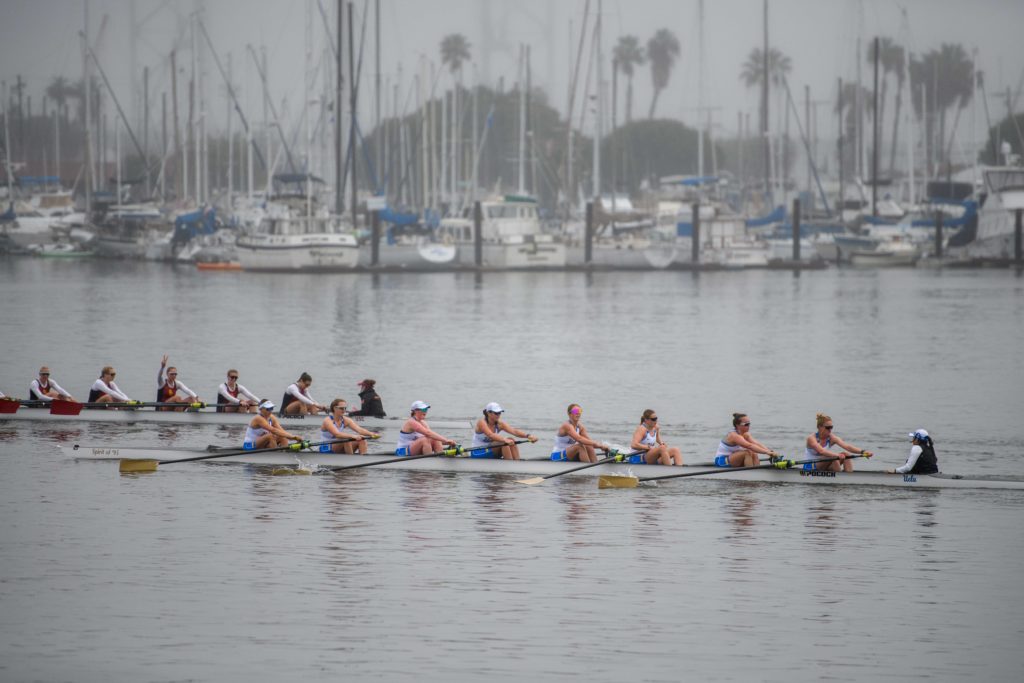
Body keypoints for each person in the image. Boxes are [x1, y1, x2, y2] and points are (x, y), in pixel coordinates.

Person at [804, 413, 872, 472]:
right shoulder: (811, 438)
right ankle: (839, 479)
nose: (830, 430)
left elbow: (847, 447)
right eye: (828, 427)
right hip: (810, 467)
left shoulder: (832, 438)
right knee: (833, 457)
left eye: (831, 427)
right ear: (819, 427)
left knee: (846, 454)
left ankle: (849, 478)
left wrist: (863, 452)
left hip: (824, 465)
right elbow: (821, 451)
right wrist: (837, 455)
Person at [469, 402, 538, 460]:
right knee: (503, 442)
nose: (498, 415)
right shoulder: (481, 422)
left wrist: (528, 436)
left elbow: (514, 431)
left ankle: (517, 463)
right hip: (477, 452)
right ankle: (509, 466)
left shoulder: (500, 424)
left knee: (511, 439)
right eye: (496, 413)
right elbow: (491, 435)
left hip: (491, 451)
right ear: (488, 413)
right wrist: (504, 440)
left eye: (499, 413)